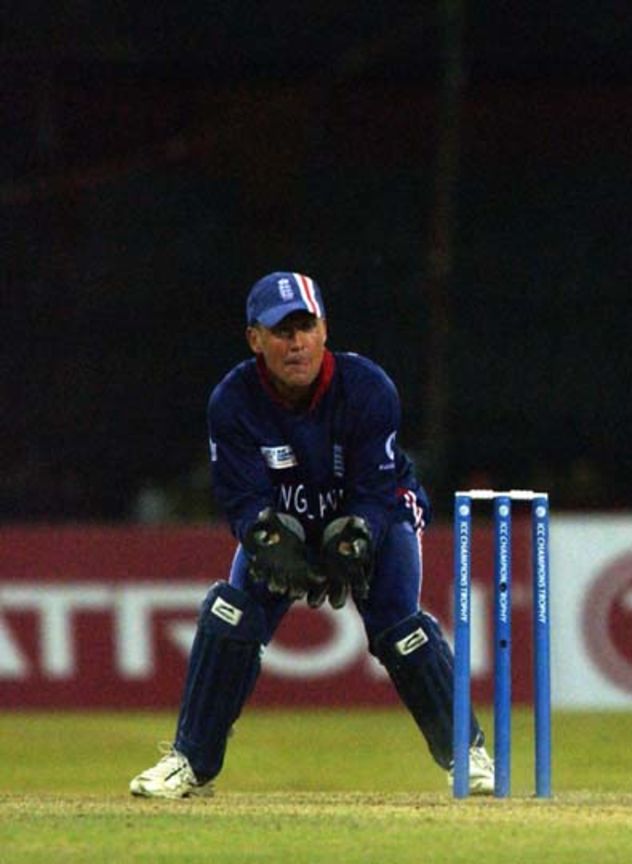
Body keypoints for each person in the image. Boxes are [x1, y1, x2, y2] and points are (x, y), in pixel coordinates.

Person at [130, 271, 494, 798]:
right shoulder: (232, 400)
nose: (295, 342)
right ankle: (190, 762)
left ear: (325, 329)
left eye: (305, 327)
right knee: (231, 614)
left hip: (377, 510)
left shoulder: (367, 387)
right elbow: (240, 499)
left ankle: (469, 756)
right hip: (287, 519)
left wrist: (356, 538)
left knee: (397, 626)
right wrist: (265, 539)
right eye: (281, 331)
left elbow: (376, 488)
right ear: (255, 338)